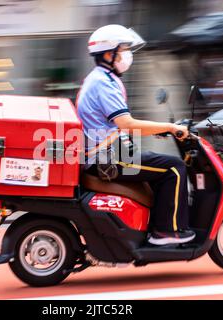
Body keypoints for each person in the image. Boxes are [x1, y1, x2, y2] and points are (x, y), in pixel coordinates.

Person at [76, 24, 195, 246]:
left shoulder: (102, 78)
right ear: (109, 54)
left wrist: (159, 129)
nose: (127, 55)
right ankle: (167, 231)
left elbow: (118, 124)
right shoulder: (103, 83)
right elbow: (127, 123)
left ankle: (155, 224)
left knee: (158, 163)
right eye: (123, 50)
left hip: (111, 152)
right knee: (173, 168)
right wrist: (169, 128)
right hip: (107, 157)